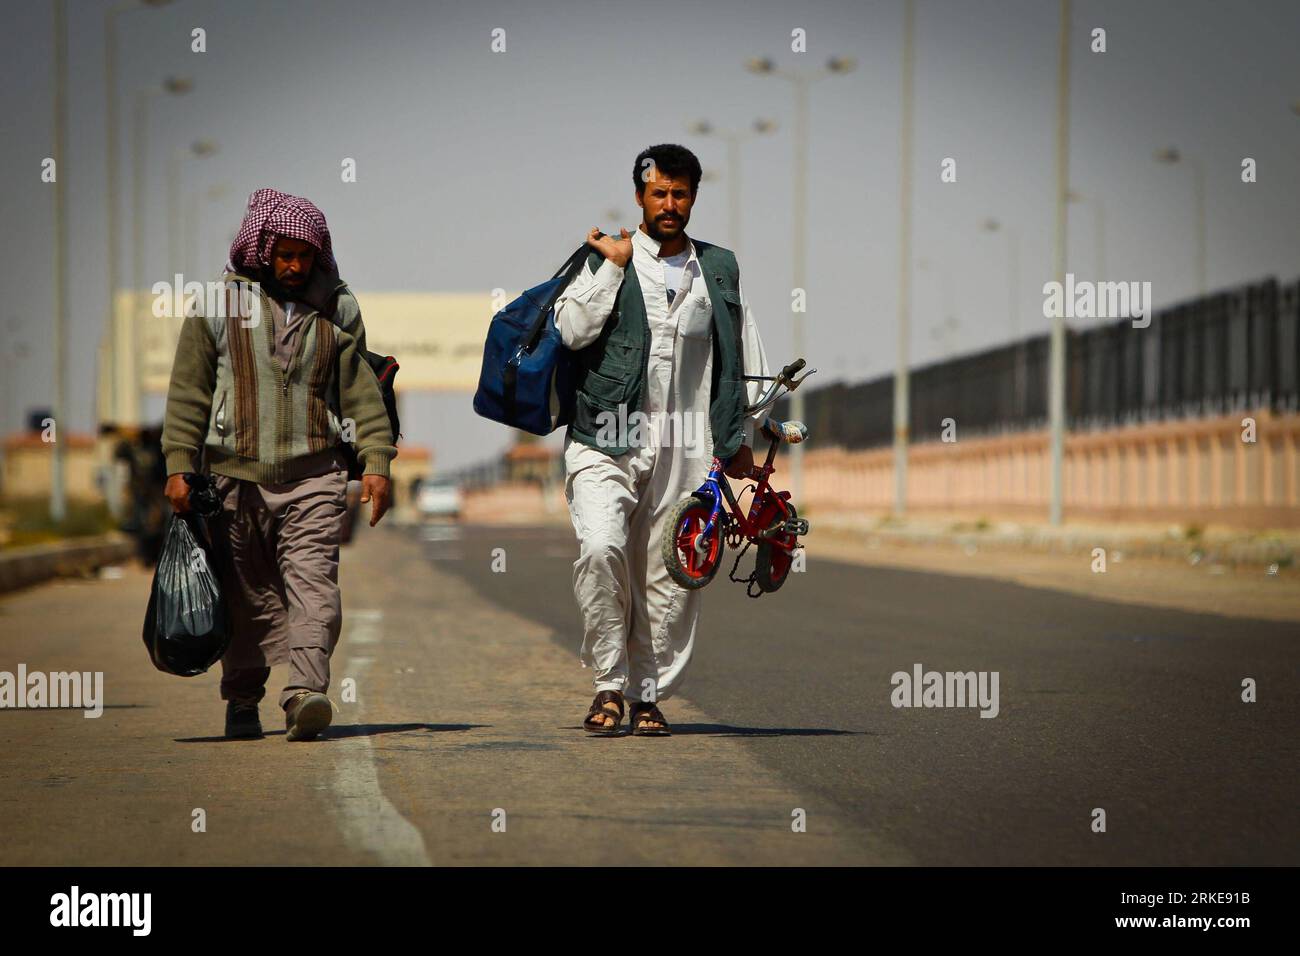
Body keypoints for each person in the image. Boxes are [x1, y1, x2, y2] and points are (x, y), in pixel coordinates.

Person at [160, 188, 396, 741]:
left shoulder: (337, 308)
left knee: (314, 584)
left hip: (316, 475)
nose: (295, 266)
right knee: (245, 594)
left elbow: (361, 392)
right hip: (232, 480)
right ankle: (243, 697)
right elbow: (189, 392)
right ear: (263, 251)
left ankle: (305, 694)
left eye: (305, 256)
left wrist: (377, 461)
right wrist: (178, 465)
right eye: (285, 255)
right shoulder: (217, 306)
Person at [555, 144, 770, 737]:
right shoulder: (607, 256)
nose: (669, 204)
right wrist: (613, 267)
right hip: (604, 437)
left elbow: (744, 354)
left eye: (680, 194)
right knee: (601, 549)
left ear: (694, 197)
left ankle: (645, 694)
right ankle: (608, 682)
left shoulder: (717, 269)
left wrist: (746, 432)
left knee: (668, 574)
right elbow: (571, 330)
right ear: (639, 197)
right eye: (659, 193)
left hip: (686, 447)